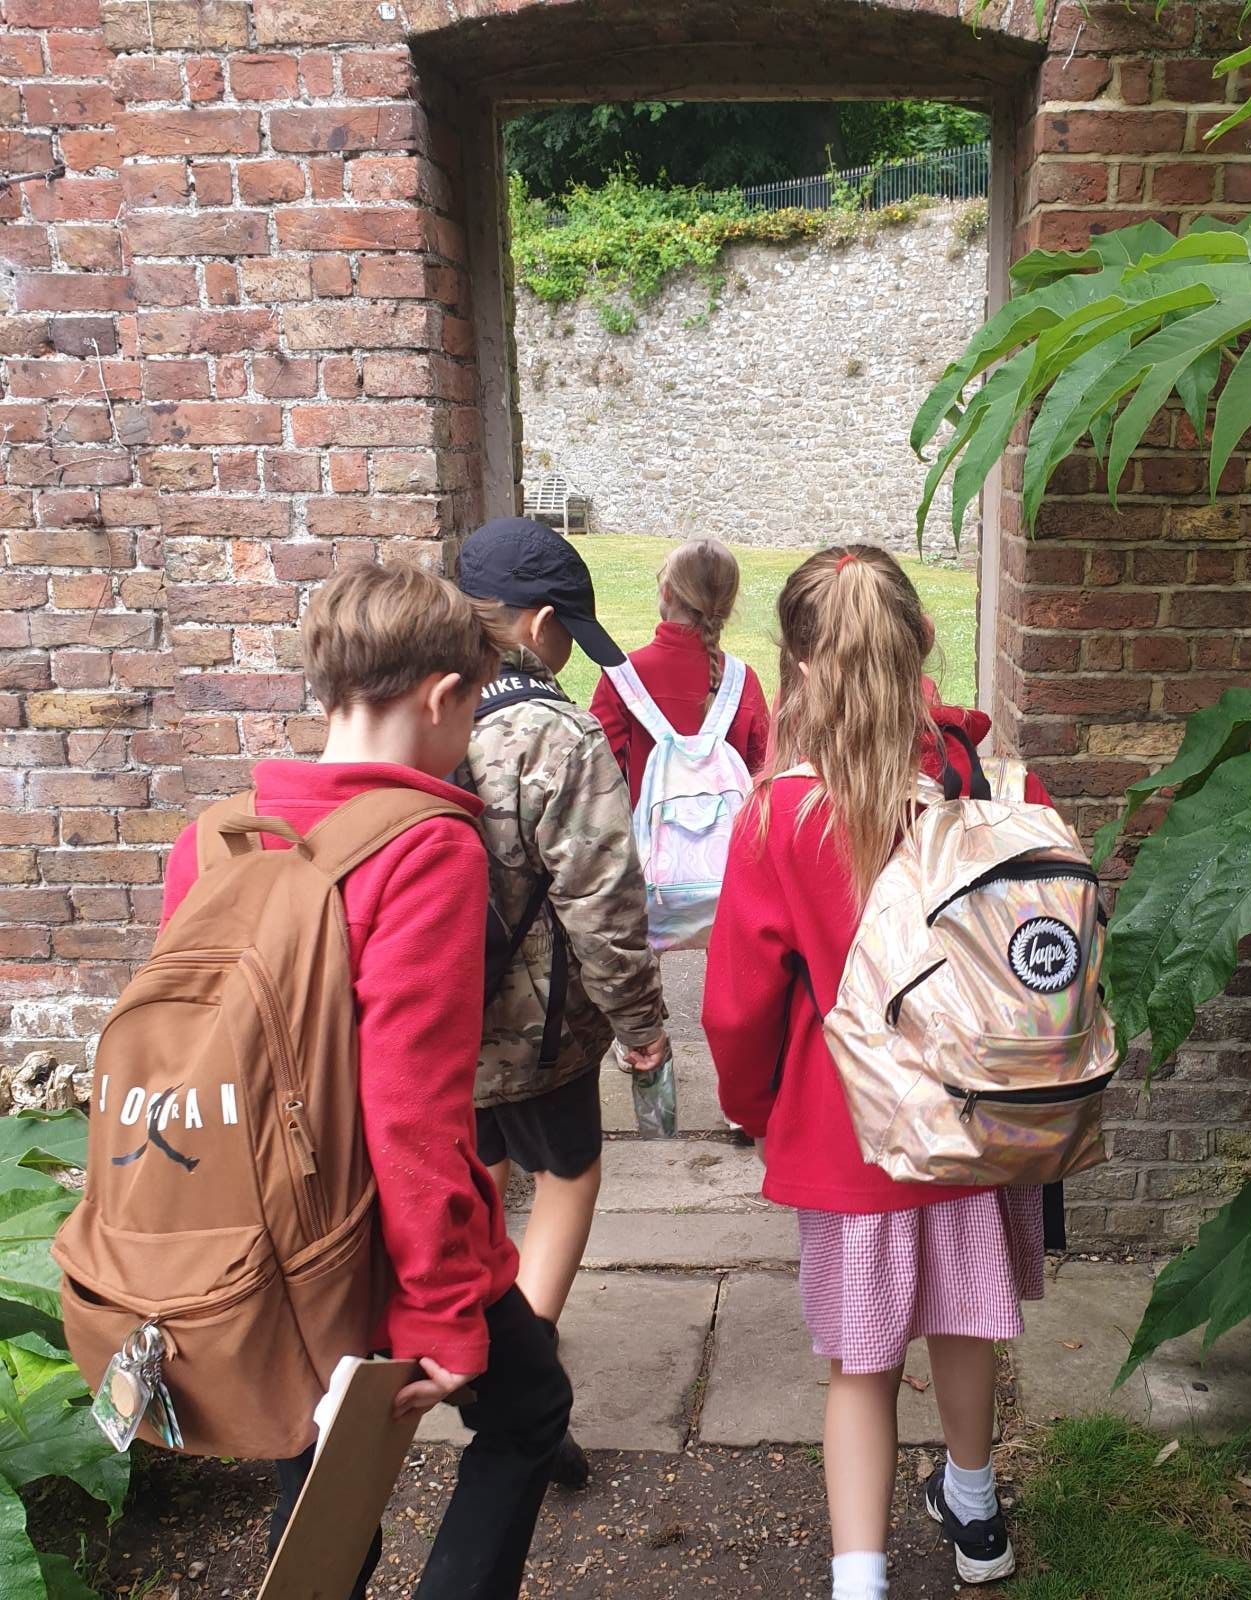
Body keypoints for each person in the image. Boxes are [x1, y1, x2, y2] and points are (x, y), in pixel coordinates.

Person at [158, 561, 573, 1600]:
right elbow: (411, 1107)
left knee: (321, 1465)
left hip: (262, 1235)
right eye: (472, 703)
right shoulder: (425, 845)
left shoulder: (219, 837)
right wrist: (442, 1308)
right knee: (524, 1414)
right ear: (441, 695)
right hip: (388, 1238)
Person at [702, 545, 1048, 1600]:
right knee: (963, 1321)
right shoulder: (962, 782)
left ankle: (860, 1581)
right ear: (920, 653)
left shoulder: (780, 816)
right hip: (974, 1113)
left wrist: (753, 1107)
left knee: (860, 1362)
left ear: (795, 666)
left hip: (848, 1130)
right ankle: (974, 1519)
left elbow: (736, 1004)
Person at [454, 517, 670, 1488]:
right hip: (535, 1035)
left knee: (481, 1177)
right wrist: (643, 1030)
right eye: (567, 637)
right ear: (539, 624)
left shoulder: (420, 698)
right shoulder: (557, 734)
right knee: (569, 1178)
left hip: (433, 1022)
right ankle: (519, 1385)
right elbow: (605, 905)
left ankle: (472, 1333)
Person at [589, 536, 770, 806]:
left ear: (667, 593)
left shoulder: (624, 677)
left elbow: (596, 776)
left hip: (646, 845)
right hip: (728, 844)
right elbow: (763, 774)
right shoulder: (743, 681)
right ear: (728, 607)